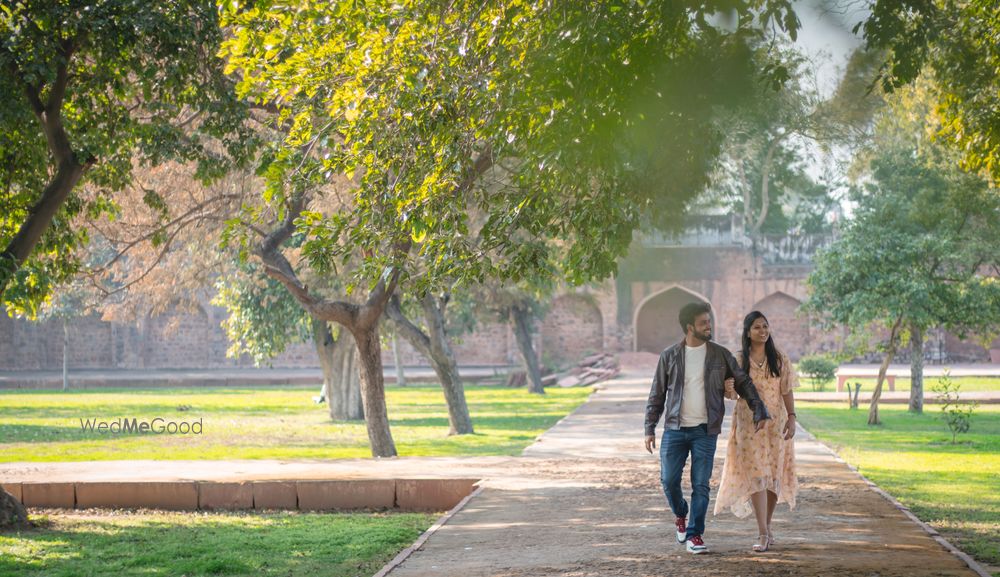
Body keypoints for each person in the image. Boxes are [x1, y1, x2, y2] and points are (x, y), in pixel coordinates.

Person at [644, 302, 770, 554]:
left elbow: (744, 382)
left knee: (701, 485)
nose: (709, 326)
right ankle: (681, 513)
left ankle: (695, 535)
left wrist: (759, 409)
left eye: (709, 321)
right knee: (668, 481)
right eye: (703, 323)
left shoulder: (719, 354)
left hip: (705, 430)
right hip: (675, 430)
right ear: (690, 327)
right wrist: (649, 427)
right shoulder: (669, 356)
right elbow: (657, 393)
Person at [714, 311, 799, 553]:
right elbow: (732, 394)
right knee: (756, 475)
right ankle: (762, 531)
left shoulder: (779, 359)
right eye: (757, 327)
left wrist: (792, 418)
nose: (763, 331)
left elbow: (787, 391)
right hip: (749, 424)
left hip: (776, 424)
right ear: (747, 332)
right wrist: (727, 389)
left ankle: (767, 527)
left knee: (773, 475)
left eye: (765, 326)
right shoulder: (739, 359)